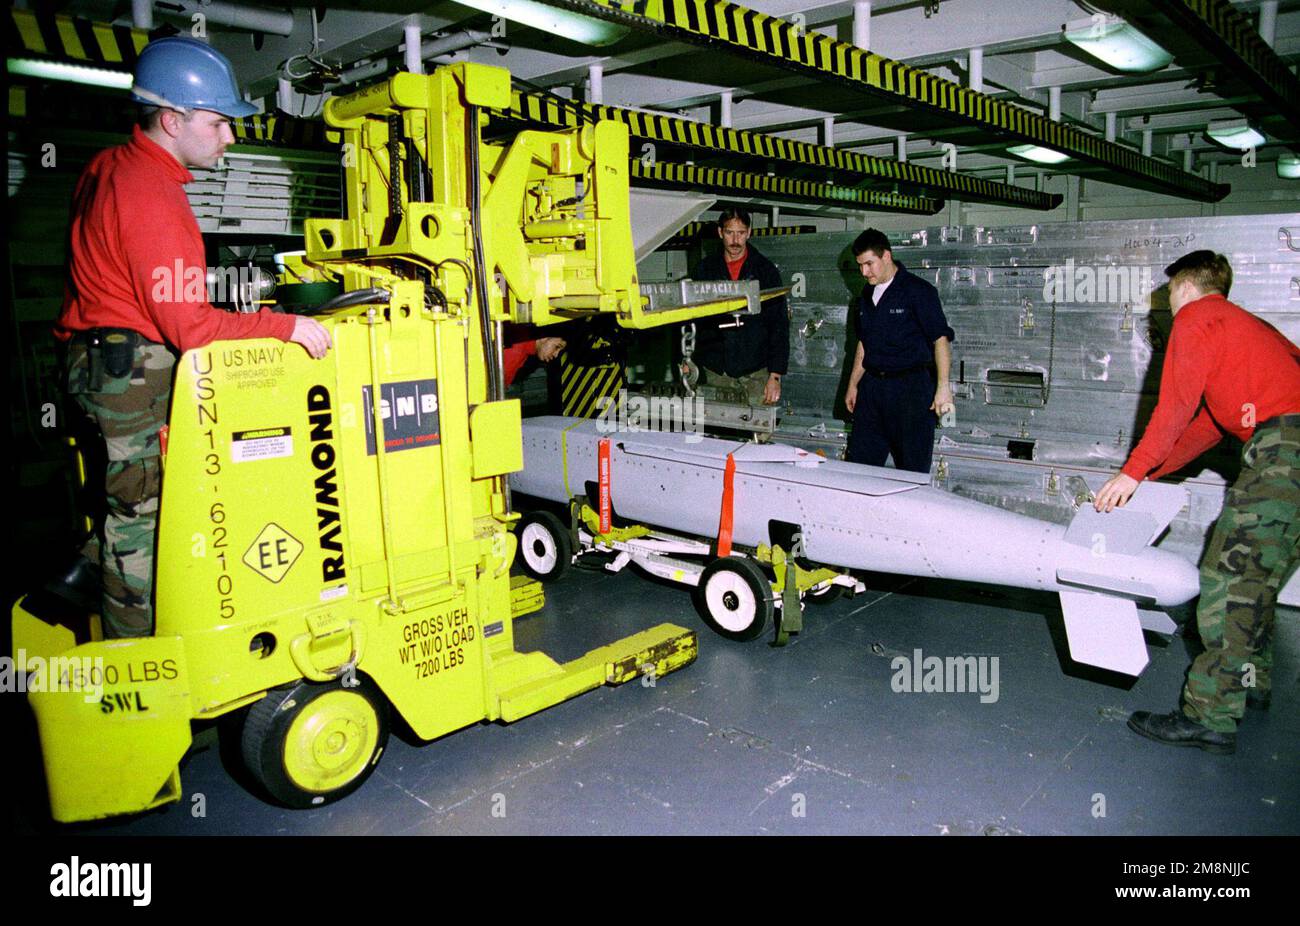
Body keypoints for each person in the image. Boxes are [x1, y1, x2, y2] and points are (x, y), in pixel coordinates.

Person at [48, 36, 332, 638]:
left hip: (91, 361)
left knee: (124, 495)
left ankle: (79, 577)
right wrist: (287, 326)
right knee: (145, 519)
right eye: (220, 122)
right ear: (173, 120)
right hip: (129, 372)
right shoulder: (154, 194)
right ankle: (137, 658)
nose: (229, 137)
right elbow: (192, 327)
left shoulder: (108, 166)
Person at [1094, 250, 1300, 755]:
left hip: (1284, 453)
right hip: (1290, 449)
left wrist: (1130, 471)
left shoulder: (1196, 318)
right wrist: (1150, 474)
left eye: (1166, 294)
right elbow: (1207, 427)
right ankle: (1249, 682)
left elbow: (1174, 407)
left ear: (1182, 287)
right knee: (1259, 581)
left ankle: (1209, 716)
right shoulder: (1247, 328)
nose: (1165, 303)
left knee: (1226, 584)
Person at [843, 229, 954, 473]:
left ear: (886, 257)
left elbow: (940, 339)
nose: (864, 272)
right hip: (873, 390)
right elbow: (864, 343)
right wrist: (853, 384)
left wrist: (943, 388)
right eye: (860, 265)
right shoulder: (865, 296)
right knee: (860, 470)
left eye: (869, 264)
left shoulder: (918, 291)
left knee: (912, 471)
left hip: (910, 391)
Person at [689, 209, 788, 407]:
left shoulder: (765, 271)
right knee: (716, 432)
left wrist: (775, 376)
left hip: (755, 371)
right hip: (716, 371)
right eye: (729, 233)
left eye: (741, 233)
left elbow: (779, 324)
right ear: (720, 233)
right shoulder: (705, 270)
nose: (735, 240)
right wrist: (688, 360)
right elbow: (690, 320)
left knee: (759, 432)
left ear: (749, 232)